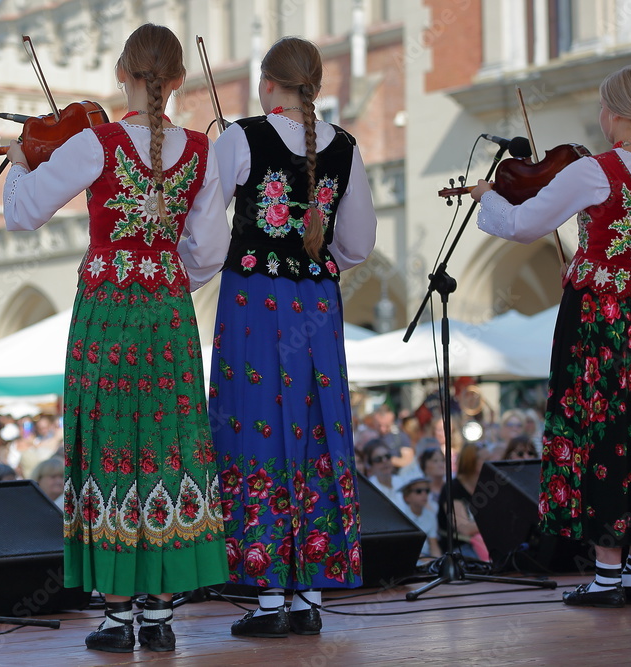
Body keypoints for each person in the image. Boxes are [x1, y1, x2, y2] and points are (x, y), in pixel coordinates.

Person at [2, 23, 229, 653]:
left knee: (106, 440)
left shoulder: (94, 144)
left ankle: (117, 612)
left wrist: (18, 164)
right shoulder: (202, 153)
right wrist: (165, 261)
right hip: (166, 310)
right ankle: (160, 611)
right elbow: (208, 252)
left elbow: (22, 215)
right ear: (179, 80)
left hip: (106, 311)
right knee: (170, 440)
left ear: (120, 75)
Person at [472, 64, 631, 607]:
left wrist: (486, 195)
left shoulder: (599, 171)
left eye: (602, 108)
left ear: (614, 112)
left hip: (596, 319)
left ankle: (607, 573)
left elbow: (524, 224)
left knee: (598, 429)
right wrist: (630, 275)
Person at [209, 36, 376, 638]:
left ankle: (268, 594)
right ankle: (308, 592)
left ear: (267, 82)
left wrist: (191, 268)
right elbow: (356, 245)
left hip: (256, 300)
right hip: (317, 303)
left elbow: (205, 227)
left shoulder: (241, 136)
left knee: (253, 420)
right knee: (314, 427)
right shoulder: (347, 146)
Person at [436, 443, 489, 562]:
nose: (491, 463)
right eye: (486, 460)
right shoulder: (452, 488)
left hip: (484, 542)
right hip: (459, 545)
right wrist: (494, 521)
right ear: (471, 462)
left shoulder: (487, 486)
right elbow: (464, 528)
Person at [398, 477, 442, 559]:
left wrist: (438, 562)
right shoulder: (401, 517)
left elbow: (433, 545)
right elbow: (404, 548)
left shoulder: (430, 516)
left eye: (427, 491)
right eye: (419, 491)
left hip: (426, 559)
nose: (424, 494)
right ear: (406, 497)